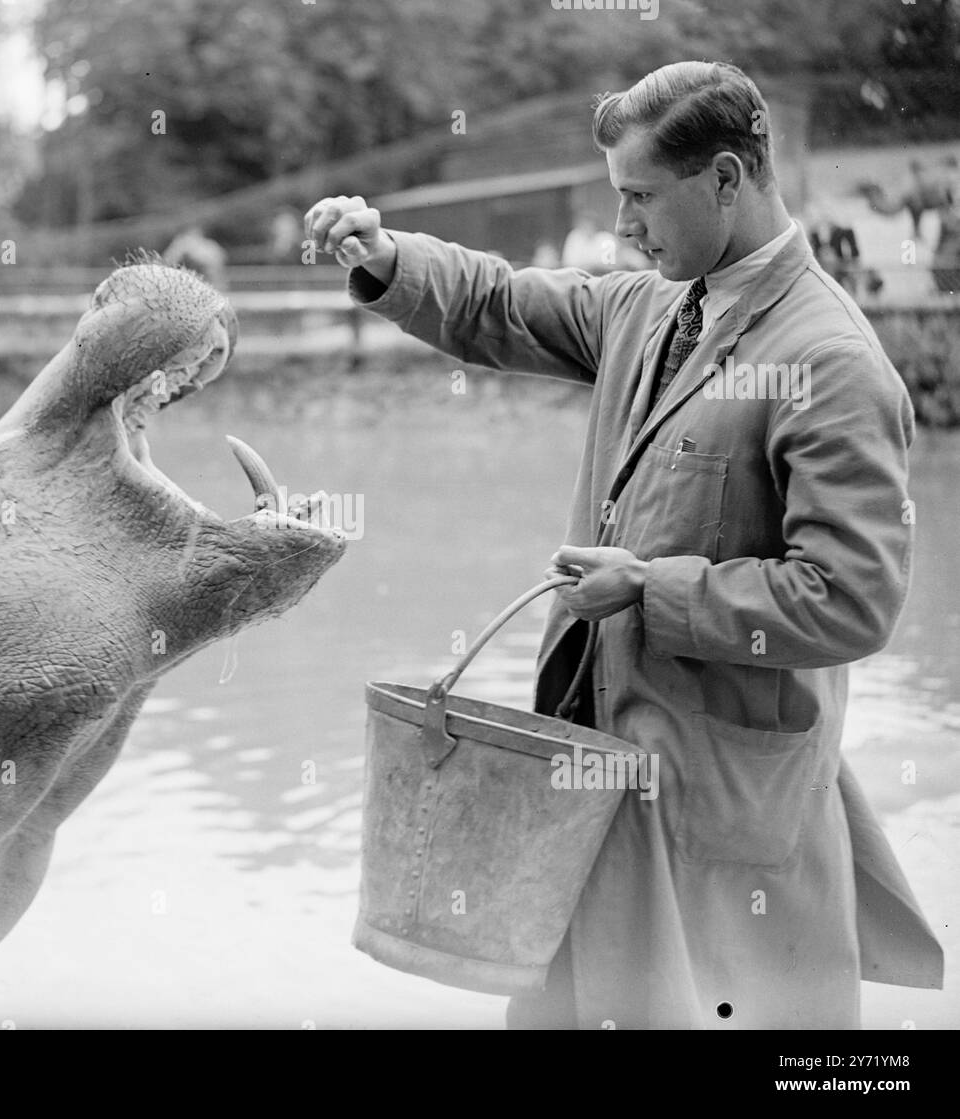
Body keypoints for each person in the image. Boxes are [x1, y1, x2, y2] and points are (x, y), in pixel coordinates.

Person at [305, 60, 943, 1029]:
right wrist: (387, 256)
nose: (624, 229)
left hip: (719, 807)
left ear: (727, 179)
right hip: (594, 780)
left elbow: (849, 600)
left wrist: (648, 589)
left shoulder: (830, 363)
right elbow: (498, 306)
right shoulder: (647, 309)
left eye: (640, 198)